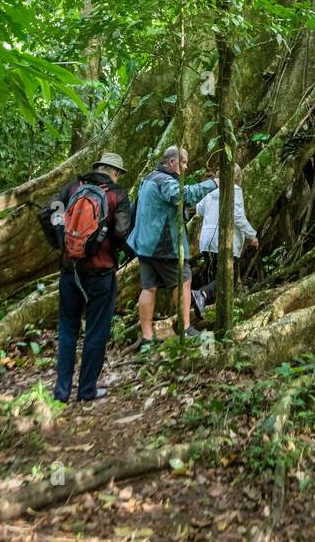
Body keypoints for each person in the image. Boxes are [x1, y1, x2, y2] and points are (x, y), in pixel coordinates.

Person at [41, 151, 133, 404]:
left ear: (98, 167)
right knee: (96, 331)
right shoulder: (117, 195)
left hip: (70, 271)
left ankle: (61, 392)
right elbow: (122, 230)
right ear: (114, 172)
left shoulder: (73, 187)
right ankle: (86, 390)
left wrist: (63, 244)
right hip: (101, 273)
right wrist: (106, 244)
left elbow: (47, 212)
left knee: (68, 329)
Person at [126, 146, 216, 351]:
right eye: (183, 162)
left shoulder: (149, 178)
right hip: (163, 246)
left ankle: (147, 339)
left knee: (148, 287)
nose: (185, 167)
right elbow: (182, 195)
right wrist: (212, 184)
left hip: (145, 245)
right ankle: (185, 328)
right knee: (184, 280)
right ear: (172, 162)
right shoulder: (166, 181)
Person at [191, 164, 258, 319]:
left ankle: (207, 311)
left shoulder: (212, 192)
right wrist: (252, 235)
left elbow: (199, 209)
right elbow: (238, 217)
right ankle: (202, 294)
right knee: (227, 276)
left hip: (207, 241)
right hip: (223, 241)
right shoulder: (235, 190)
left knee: (214, 275)